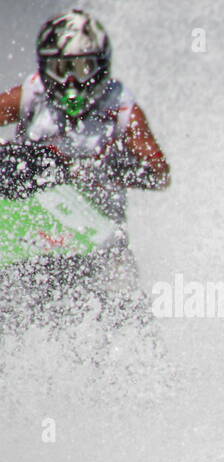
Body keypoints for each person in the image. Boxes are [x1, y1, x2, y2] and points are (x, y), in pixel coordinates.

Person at [0, 8, 169, 315]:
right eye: (62, 68)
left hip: (98, 239)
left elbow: (159, 174)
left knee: (124, 311)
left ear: (101, 66)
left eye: (82, 67)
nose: (71, 80)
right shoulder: (32, 93)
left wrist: (115, 168)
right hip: (34, 230)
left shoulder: (120, 104)